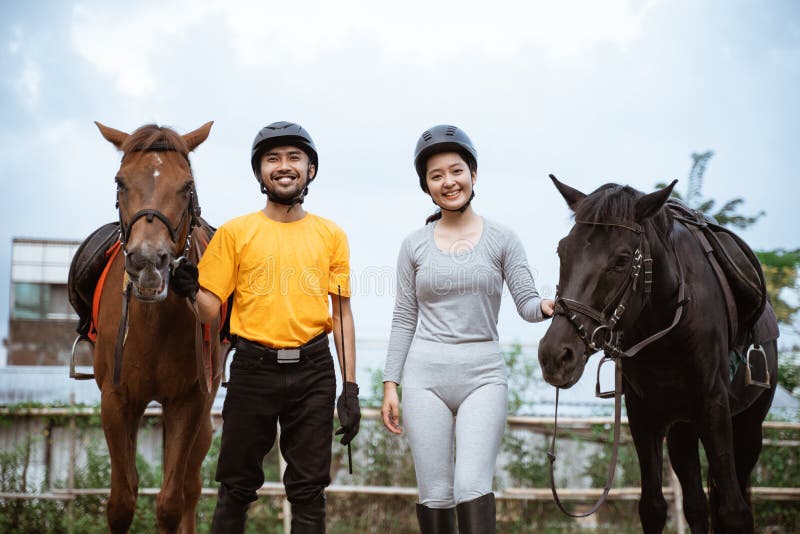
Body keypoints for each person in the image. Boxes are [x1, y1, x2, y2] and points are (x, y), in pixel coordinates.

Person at [171, 121, 360, 534]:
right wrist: (188, 290)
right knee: (236, 485)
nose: (284, 166)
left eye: (294, 157)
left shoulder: (332, 235)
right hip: (253, 369)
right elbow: (208, 311)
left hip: (314, 369)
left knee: (309, 489)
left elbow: (342, 314)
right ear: (260, 173)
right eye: (272, 159)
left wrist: (349, 387)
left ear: (310, 169)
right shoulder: (236, 233)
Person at [381, 125, 554, 534]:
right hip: (424, 379)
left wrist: (547, 306)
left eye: (455, 171)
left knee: (471, 485)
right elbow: (404, 316)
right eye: (436, 175)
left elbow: (527, 303)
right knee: (435, 493)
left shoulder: (503, 239)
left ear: (473, 175)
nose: (448, 181)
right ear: (426, 186)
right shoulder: (414, 245)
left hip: (483, 375)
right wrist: (391, 383)